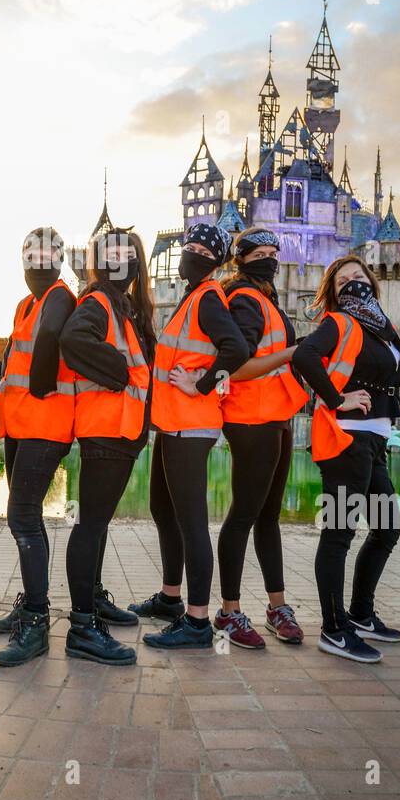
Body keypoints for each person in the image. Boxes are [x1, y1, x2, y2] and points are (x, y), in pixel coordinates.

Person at [127, 223, 250, 648]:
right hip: (172, 424)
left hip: (191, 425)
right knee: (163, 509)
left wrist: (199, 382)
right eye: (190, 246)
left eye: (202, 249)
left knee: (192, 521)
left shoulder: (209, 299)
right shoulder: (191, 298)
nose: (193, 252)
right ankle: (170, 598)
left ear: (215, 261)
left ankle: (198, 622)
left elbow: (236, 349)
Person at [292, 254, 400, 664]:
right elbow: (304, 357)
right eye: (343, 282)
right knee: (339, 535)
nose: (353, 283)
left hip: (374, 444)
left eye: (359, 276)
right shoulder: (338, 322)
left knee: (388, 528)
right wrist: (337, 398)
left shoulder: (384, 330)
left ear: (373, 283)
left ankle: (360, 614)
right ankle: (334, 629)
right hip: (346, 442)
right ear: (333, 293)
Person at [60, 230, 156, 665]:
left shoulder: (126, 308)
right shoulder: (98, 302)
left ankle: (93, 601)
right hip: (105, 430)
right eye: (115, 255)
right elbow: (74, 341)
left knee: (97, 526)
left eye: (129, 255)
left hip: (122, 433)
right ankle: (82, 627)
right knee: (89, 527)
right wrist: (118, 372)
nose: (124, 262)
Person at [212, 227, 308, 649]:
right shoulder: (246, 300)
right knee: (244, 515)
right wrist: (293, 352)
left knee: (268, 517)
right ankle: (229, 612)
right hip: (252, 418)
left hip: (277, 416)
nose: (270, 258)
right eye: (261, 253)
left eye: (274, 252)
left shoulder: (265, 298)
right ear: (242, 258)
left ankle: (276, 606)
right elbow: (238, 365)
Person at [0, 226, 76, 666]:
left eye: (45, 256)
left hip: (46, 423)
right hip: (21, 424)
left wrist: (41, 387)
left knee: (21, 515)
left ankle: (38, 622)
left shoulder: (60, 296)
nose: (37, 264)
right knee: (27, 516)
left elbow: (51, 339)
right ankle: (31, 605)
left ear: (58, 260)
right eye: (31, 256)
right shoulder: (27, 304)